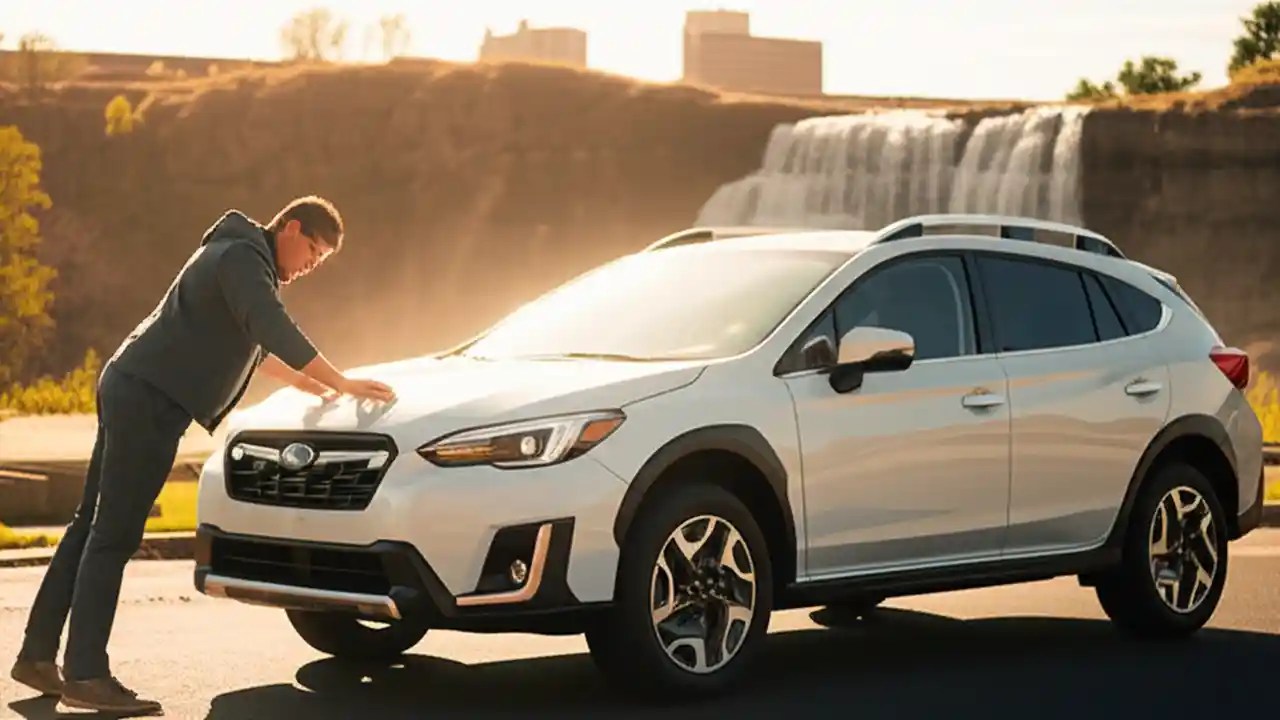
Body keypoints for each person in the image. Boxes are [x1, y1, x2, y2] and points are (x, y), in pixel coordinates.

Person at [8, 196, 396, 715]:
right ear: (291, 227)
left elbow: (250, 343)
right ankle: (85, 675)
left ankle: (37, 657)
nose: (310, 264)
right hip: (149, 397)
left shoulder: (235, 254)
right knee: (112, 536)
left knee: (88, 527)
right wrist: (341, 380)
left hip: (133, 385)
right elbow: (270, 325)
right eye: (311, 249)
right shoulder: (243, 260)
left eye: (320, 259)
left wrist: (310, 385)